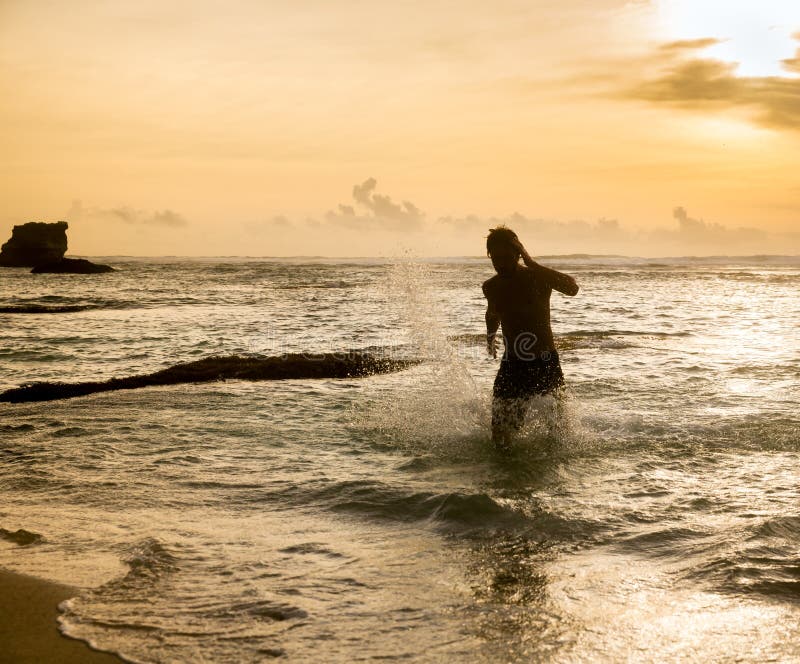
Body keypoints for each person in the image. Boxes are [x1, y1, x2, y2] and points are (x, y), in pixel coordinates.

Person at [482, 226, 579, 447]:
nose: (501, 264)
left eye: (507, 257)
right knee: (500, 435)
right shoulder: (491, 286)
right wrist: (490, 336)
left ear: (518, 254)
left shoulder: (538, 278)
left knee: (559, 433)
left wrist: (532, 263)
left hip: (545, 362)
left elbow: (572, 288)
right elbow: (492, 312)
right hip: (513, 364)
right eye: (496, 259)